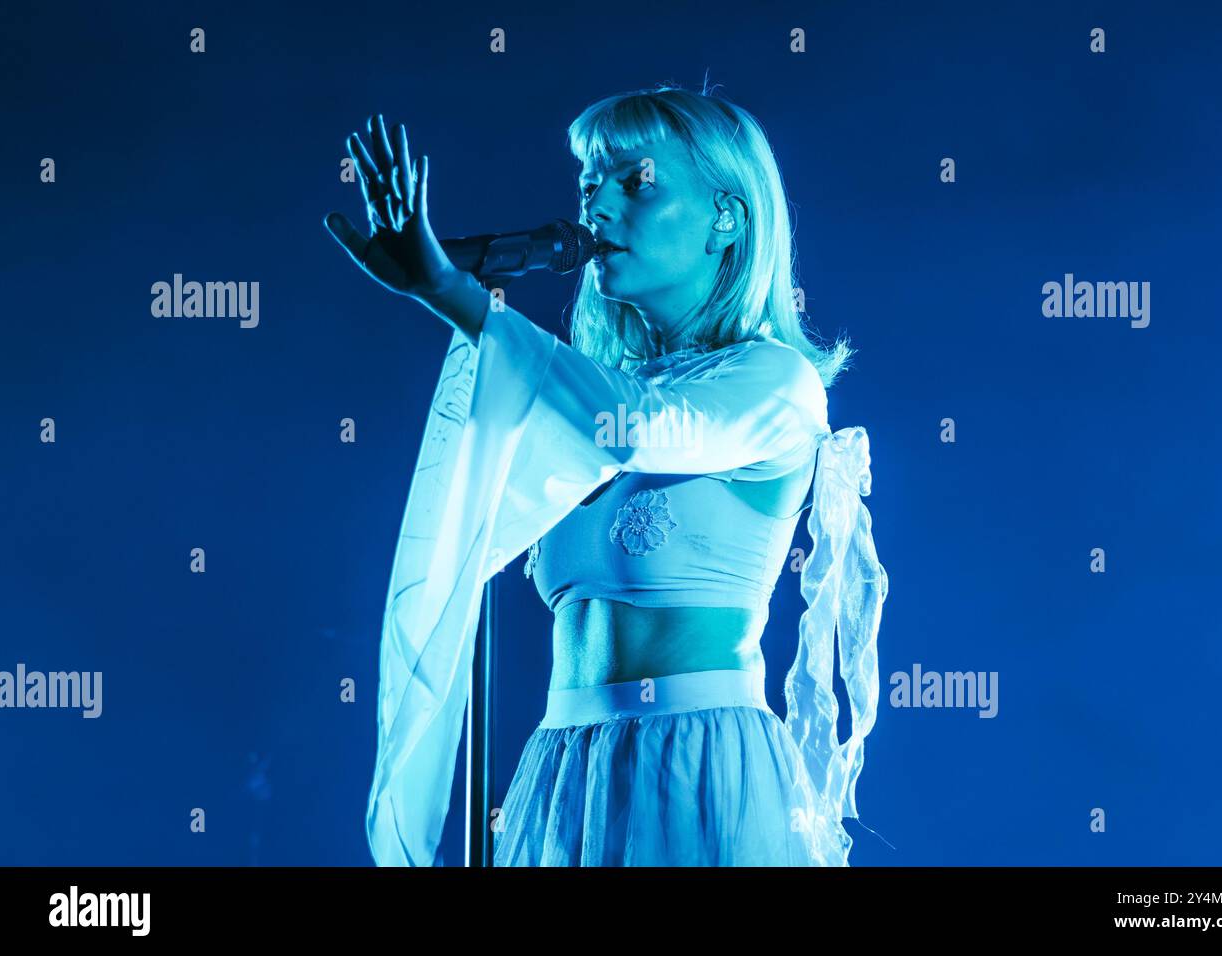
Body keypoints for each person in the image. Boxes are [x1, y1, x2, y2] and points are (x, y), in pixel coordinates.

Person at [324, 84, 889, 867]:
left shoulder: (778, 383)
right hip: (564, 766)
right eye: (592, 182)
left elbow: (636, 428)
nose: (600, 203)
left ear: (727, 216)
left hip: (695, 762)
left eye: (637, 180)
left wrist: (457, 295)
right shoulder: (591, 389)